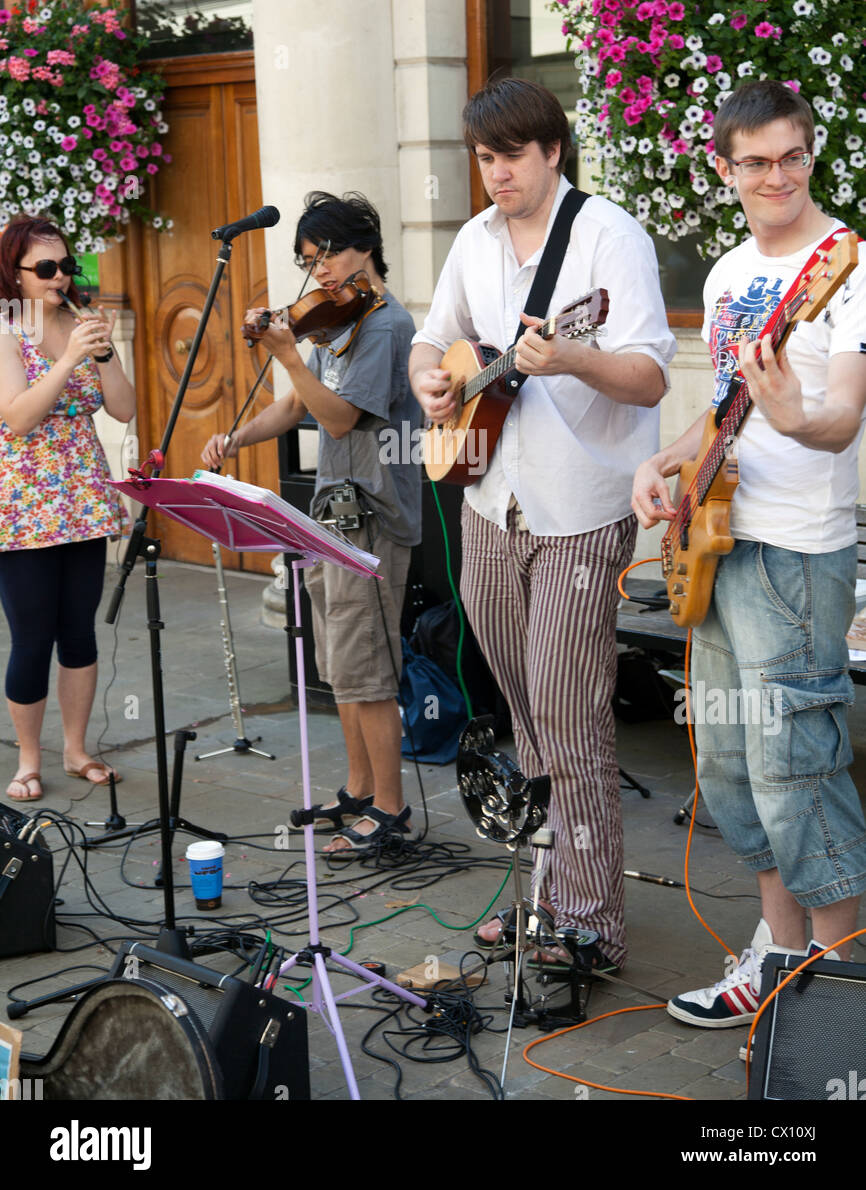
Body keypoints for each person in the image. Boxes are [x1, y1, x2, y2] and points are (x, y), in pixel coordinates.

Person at [409, 78, 675, 970]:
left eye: (511, 157)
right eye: (483, 159)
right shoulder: (473, 242)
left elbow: (649, 376)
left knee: (570, 716)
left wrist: (569, 356)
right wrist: (431, 383)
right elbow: (429, 339)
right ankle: (547, 896)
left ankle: (591, 920)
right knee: (524, 709)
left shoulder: (610, 237)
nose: (495, 176)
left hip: (579, 508)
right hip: (488, 499)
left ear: (553, 150)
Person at [632, 79, 866, 1027]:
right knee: (730, 766)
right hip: (719, 537)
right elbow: (726, 407)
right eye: (757, 162)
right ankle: (777, 953)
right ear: (725, 170)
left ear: (813, 155)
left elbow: (842, 418)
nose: (779, 177)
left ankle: (840, 985)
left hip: (795, 554)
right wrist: (669, 460)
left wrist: (797, 417)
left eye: (794, 157)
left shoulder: (845, 264)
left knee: (797, 767)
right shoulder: (730, 273)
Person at [202, 191, 421, 853]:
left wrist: (289, 351)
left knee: (367, 673)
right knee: (339, 667)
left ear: (365, 246)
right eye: (308, 260)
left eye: (327, 254)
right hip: (331, 513)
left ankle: (389, 811)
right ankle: (357, 791)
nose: (319, 271)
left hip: (374, 516)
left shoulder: (383, 325)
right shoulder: (335, 324)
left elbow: (339, 418)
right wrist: (237, 437)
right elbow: (295, 405)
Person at [0, 215, 135, 801]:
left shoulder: (82, 322)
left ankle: (77, 748)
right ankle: (29, 760)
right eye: (46, 269)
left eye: (66, 265)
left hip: (82, 499)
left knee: (78, 631)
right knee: (32, 636)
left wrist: (103, 355)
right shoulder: (7, 329)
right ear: (15, 273)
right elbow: (20, 417)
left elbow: (124, 410)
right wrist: (65, 360)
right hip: (25, 507)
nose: (60, 278)